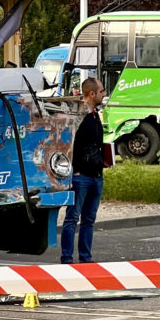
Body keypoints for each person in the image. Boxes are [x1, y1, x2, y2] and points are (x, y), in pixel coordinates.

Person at [60, 77, 106, 265]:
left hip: (96, 174)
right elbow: (67, 144)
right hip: (81, 176)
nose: (104, 94)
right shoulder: (78, 117)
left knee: (89, 219)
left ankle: (85, 258)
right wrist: (75, 170)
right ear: (92, 93)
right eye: (102, 91)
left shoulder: (95, 116)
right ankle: (67, 259)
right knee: (72, 218)